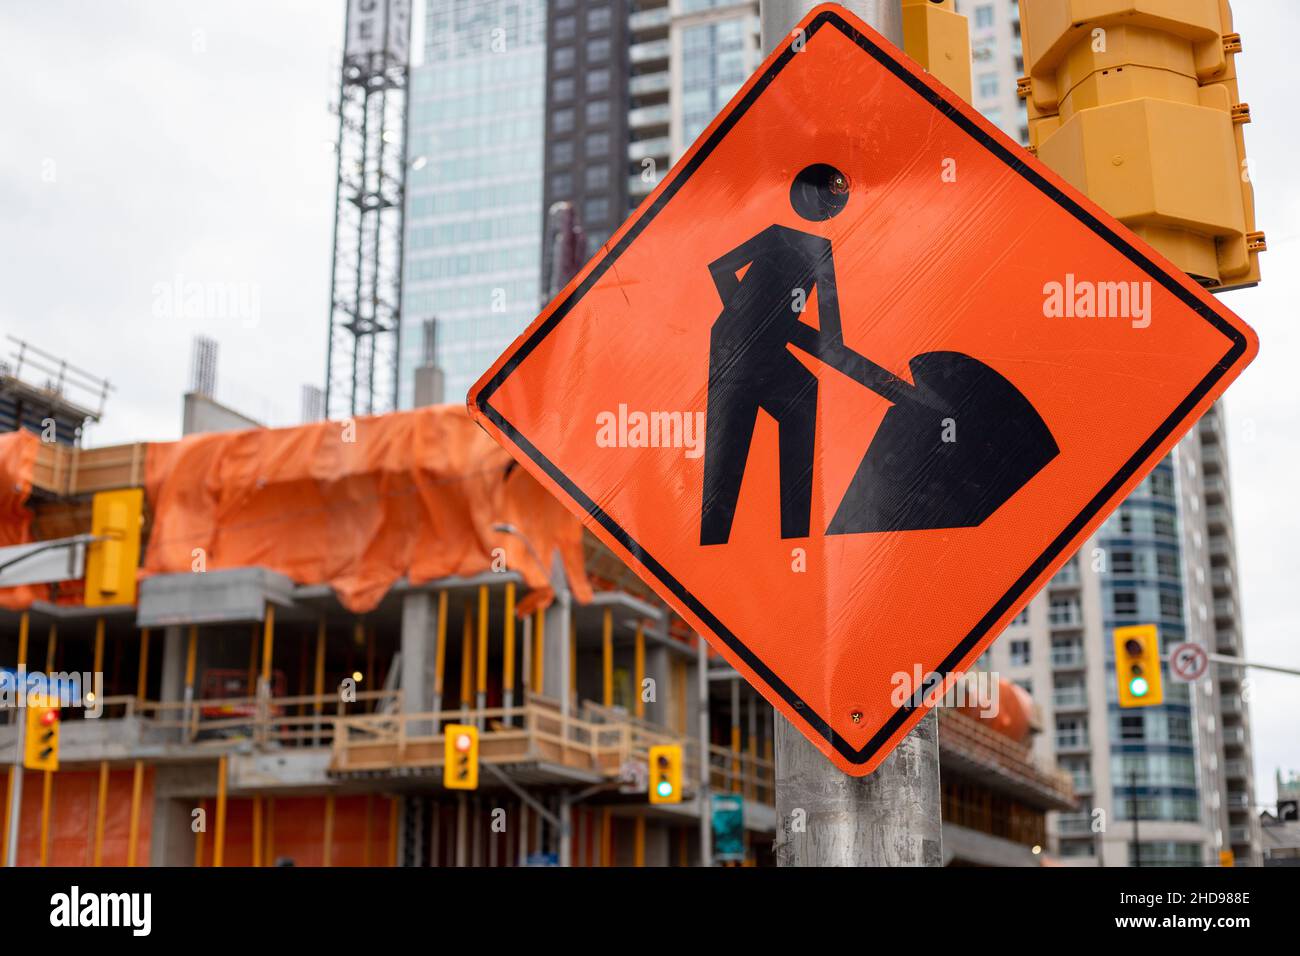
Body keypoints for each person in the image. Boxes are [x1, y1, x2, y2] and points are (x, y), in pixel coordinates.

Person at [700, 164, 850, 546]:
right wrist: (746, 316)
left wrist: (877, 377)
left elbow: (831, 340)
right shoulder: (778, 235)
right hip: (732, 346)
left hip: (768, 348)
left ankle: (797, 539)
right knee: (728, 446)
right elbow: (720, 268)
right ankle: (715, 538)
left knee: (805, 392)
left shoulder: (822, 253)